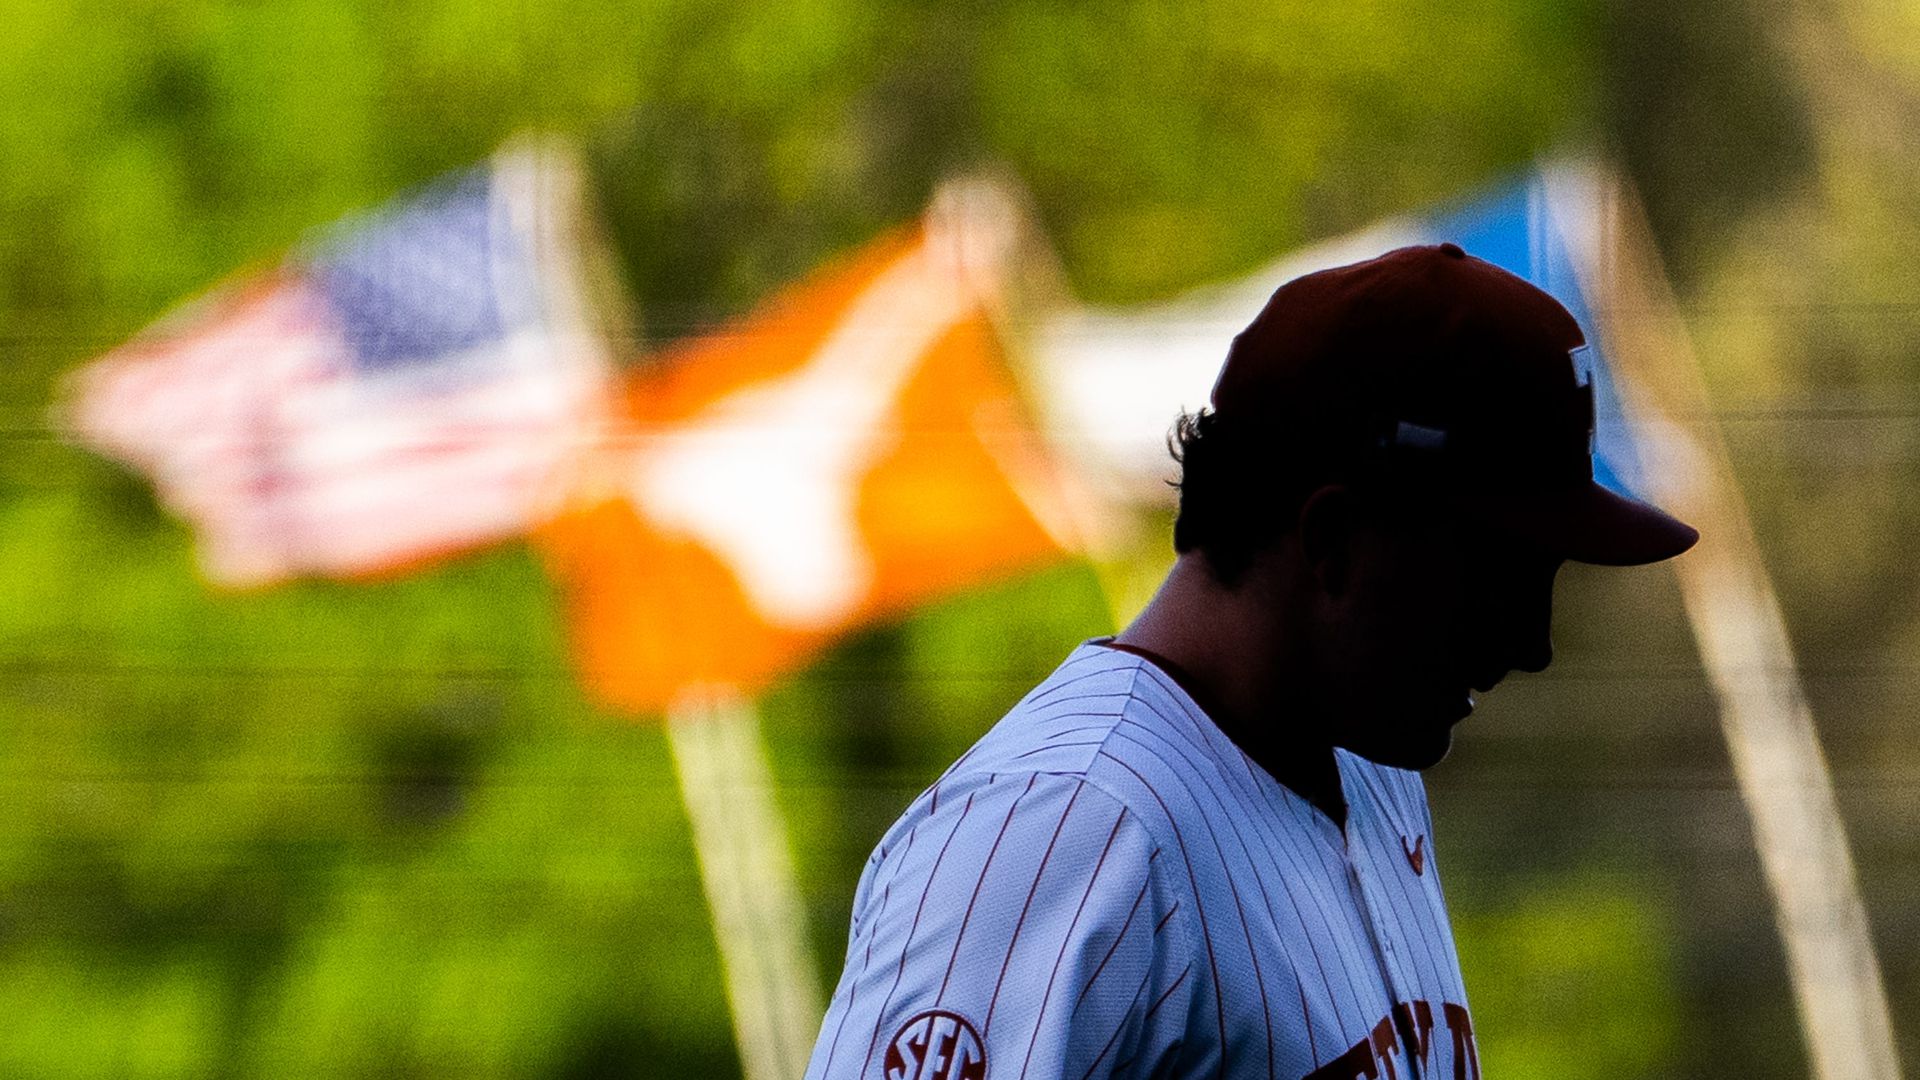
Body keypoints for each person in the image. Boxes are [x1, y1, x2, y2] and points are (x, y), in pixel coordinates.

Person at [802, 242, 1698, 1080]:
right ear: (1334, 540)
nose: (1530, 643)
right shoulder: (1064, 830)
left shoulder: (1369, 767)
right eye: (1498, 578)